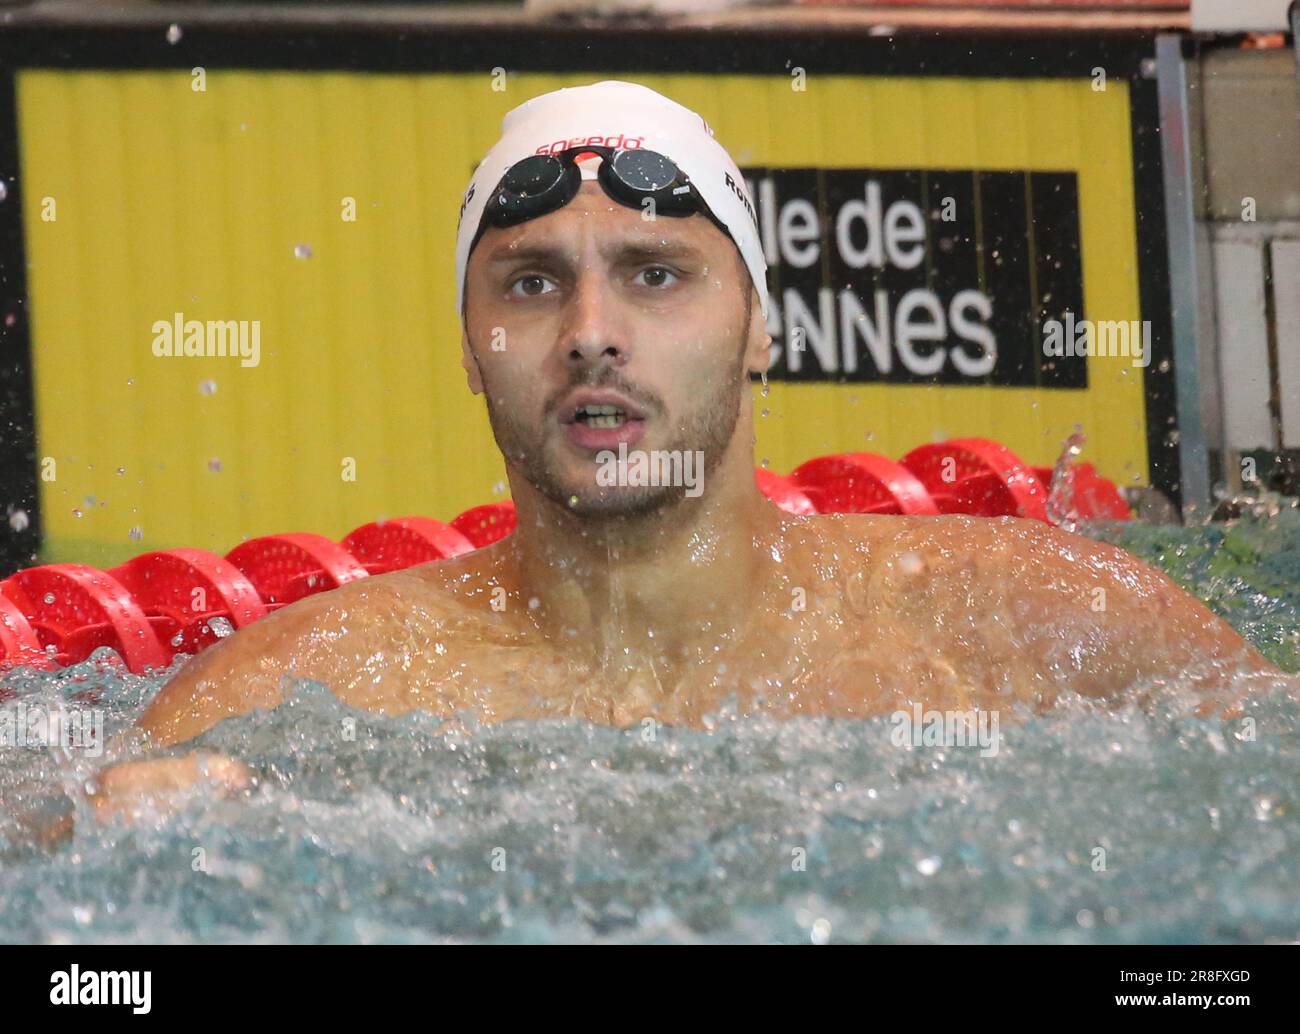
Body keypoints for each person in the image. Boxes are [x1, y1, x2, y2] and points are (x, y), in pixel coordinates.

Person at [85, 81, 1282, 818]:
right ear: (468, 343)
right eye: (532, 282)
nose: (592, 335)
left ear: (761, 324)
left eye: (656, 275)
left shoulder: (1028, 624)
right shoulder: (297, 686)